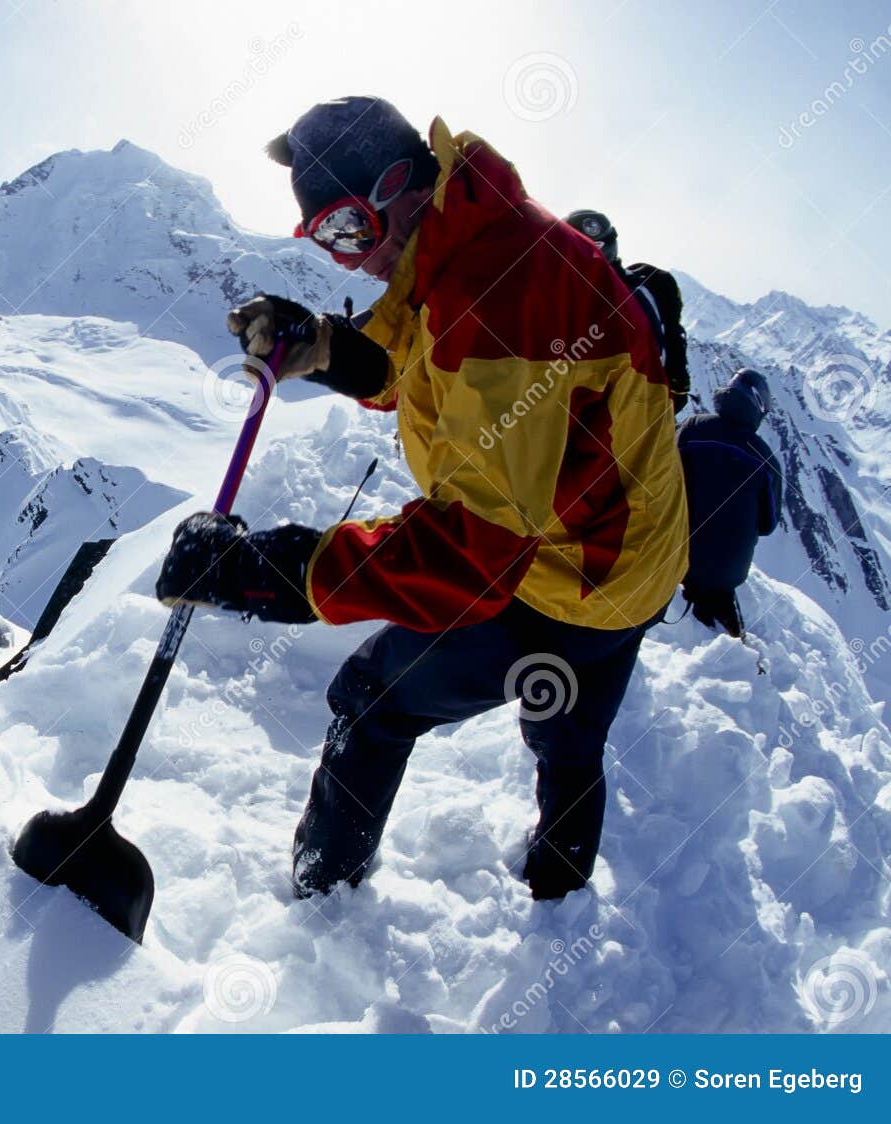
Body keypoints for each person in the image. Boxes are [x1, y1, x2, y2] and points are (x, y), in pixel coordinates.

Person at [156, 96, 688, 901]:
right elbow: (416, 367)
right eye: (320, 240)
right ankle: (558, 888)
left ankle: (321, 901)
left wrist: (262, 570)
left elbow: (471, 556)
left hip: (554, 579)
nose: (344, 260)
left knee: (373, 700)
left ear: (400, 182)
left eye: (345, 229)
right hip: (632, 565)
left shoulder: (502, 287)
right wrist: (321, 347)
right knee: (568, 735)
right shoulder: (459, 243)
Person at [676, 368, 783, 635]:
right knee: (722, 617)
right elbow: (767, 525)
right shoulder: (766, 459)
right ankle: (735, 648)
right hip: (725, 574)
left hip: (674, 555)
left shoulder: (691, 428)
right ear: (759, 406)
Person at [565, 209, 690, 414]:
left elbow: (672, 338)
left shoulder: (653, 285)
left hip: (638, 409)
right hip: (591, 415)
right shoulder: (558, 300)